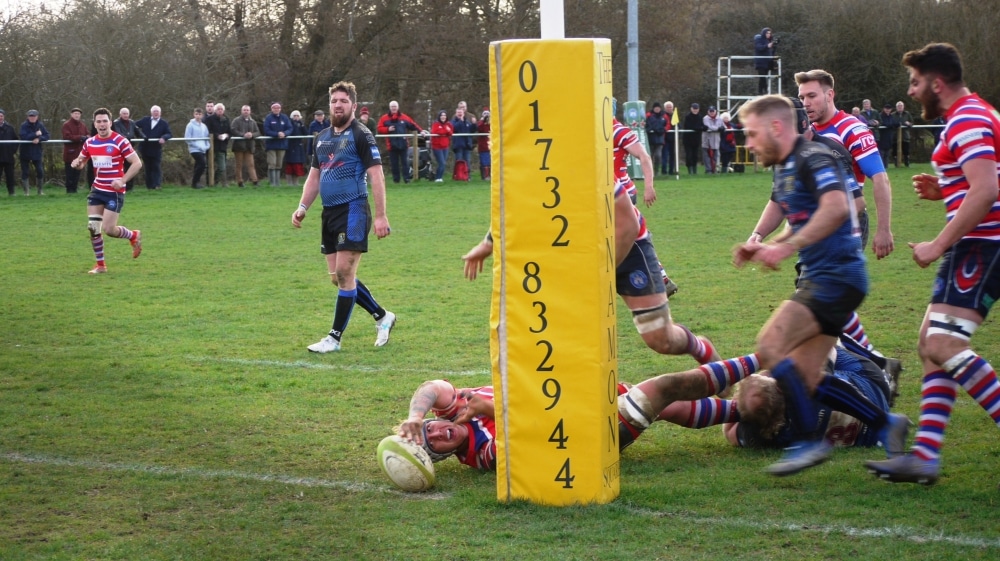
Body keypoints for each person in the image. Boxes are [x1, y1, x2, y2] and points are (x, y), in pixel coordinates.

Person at [732, 95, 907, 477]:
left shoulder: (815, 157)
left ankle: (809, 442)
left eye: (752, 134)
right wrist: (765, 245)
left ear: (777, 127)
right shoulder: (786, 168)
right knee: (809, 377)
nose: (749, 144)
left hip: (836, 276)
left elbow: (836, 208)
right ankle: (885, 423)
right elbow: (799, 221)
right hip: (826, 278)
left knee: (770, 346)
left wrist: (787, 248)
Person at [866, 43, 1000, 486]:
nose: (912, 89)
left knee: (943, 346)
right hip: (976, 244)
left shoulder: (967, 118)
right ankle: (925, 456)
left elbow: (985, 190)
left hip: (982, 245)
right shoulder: (975, 113)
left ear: (936, 83)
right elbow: (984, 179)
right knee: (929, 343)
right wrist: (947, 191)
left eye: (915, 82)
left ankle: (925, 455)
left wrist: (938, 243)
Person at [396, 353, 762, 470]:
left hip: (579, 401)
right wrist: (493, 406)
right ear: (444, 457)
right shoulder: (480, 456)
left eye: (431, 430)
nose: (440, 434)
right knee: (662, 390)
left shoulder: (450, 410)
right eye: (436, 445)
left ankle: (746, 414)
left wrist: (414, 417)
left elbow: (430, 387)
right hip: (589, 434)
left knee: (663, 404)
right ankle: (765, 357)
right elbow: (533, 429)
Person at [291, 81, 396, 353]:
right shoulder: (322, 137)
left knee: (345, 272)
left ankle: (334, 338)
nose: (338, 105)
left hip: (354, 209)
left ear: (352, 105)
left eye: (343, 101)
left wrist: (381, 216)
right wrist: (303, 207)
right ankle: (382, 316)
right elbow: (314, 177)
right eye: (334, 101)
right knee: (337, 278)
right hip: (329, 213)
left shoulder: (362, 135)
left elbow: (377, 175)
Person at [726, 339, 902, 450]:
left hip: (868, 437)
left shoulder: (767, 435)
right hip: (873, 390)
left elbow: (729, 432)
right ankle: (882, 364)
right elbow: (827, 349)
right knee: (821, 332)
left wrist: (743, 407)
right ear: (779, 387)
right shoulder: (809, 386)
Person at [70, 107, 143, 274]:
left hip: (114, 192)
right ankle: (100, 265)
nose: (102, 124)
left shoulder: (120, 141)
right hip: (97, 190)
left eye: (105, 121)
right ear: (94, 124)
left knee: (110, 230)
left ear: (110, 123)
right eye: (98, 121)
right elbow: (82, 162)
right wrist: (77, 164)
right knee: (93, 227)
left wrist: (122, 180)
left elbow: (137, 163)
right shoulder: (90, 142)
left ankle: (133, 235)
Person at [376, 101, 422, 184]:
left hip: (403, 144)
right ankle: (396, 180)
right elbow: (379, 128)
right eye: (392, 106)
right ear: (390, 108)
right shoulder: (384, 118)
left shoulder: (404, 117)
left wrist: (421, 131)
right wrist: (387, 129)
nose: (394, 108)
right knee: (394, 164)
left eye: (395, 106)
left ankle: (407, 179)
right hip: (391, 145)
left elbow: (413, 125)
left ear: (398, 107)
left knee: (405, 163)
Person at [135, 105, 171, 190]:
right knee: (147, 167)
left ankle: (157, 185)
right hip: (145, 147)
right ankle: (149, 186)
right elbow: (134, 125)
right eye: (154, 111)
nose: (156, 113)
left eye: (157, 111)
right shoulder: (145, 120)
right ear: (151, 112)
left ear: (160, 113)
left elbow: (169, 133)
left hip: (156, 148)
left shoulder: (164, 123)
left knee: (156, 167)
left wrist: (164, 137)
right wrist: (139, 134)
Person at [19, 109, 49, 195]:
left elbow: (47, 135)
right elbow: (23, 136)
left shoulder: (40, 125)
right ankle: (26, 192)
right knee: (25, 172)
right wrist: (35, 135)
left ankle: (40, 191)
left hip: (37, 152)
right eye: (30, 116)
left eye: (34, 116)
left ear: (37, 117)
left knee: (40, 171)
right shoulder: (24, 125)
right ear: (28, 117)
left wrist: (39, 139)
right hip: (25, 151)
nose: (32, 118)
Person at [263, 102, 293, 187]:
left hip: (282, 144)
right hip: (271, 144)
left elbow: (290, 128)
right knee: (272, 163)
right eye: (274, 108)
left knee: (279, 164)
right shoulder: (268, 118)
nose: (276, 109)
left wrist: (284, 133)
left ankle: (277, 182)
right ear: (272, 109)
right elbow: (266, 129)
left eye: (278, 108)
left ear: (280, 109)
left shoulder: (284, 118)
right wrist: (277, 134)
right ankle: (272, 182)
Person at [230, 105, 260, 188]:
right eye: (244, 110)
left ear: (250, 111)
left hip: (249, 147)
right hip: (239, 146)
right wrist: (243, 135)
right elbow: (233, 130)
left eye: (247, 110)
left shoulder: (253, 122)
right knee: (239, 165)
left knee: (251, 164)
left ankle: (255, 181)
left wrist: (252, 135)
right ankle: (239, 181)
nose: (246, 111)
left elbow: (258, 132)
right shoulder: (236, 120)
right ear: (241, 111)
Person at [61, 108, 89, 194]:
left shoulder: (82, 125)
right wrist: (80, 137)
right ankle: (69, 190)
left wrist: (87, 137)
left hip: (80, 153)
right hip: (70, 153)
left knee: (77, 173)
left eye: (78, 114)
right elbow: (67, 136)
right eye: (75, 113)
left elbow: (87, 133)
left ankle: (75, 190)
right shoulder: (67, 125)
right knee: (70, 173)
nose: (77, 115)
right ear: (71, 114)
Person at [204, 103, 231, 186]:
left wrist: (226, 135)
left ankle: (216, 181)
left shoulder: (226, 119)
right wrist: (216, 136)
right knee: (209, 166)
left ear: (223, 110)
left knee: (222, 167)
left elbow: (230, 131)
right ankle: (209, 183)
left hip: (222, 146)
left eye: (221, 109)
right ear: (215, 110)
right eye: (218, 109)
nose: (220, 111)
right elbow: (208, 131)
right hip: (211, 146)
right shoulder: (210, 119)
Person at [112, 108, 138, 192]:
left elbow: (138, 132)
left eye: (127, 114)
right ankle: (119, 185)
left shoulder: (132, 122)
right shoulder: (116, 123)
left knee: (130, 167)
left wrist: (145, 138)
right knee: (120, 168)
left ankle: (130, 187)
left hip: (130, 148)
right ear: (120, 114)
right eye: (124, 113)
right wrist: (126, 138)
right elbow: (118, 133)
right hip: (119, 149)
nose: (126, 115)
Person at [184, 108, 209, 189]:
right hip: (194, 149)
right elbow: (188, 139)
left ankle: (195, 184)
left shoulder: (204, 126)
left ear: (202, 115)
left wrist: (206, 146)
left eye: (199, 114)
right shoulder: (190, 125)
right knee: (202, 164)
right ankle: (195, 181)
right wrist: (198, 146)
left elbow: (207, 138)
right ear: (194, 115)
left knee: (198, 165)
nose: (198, 116)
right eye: (196, 114)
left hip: (203, 149)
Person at [450, 107, 476, 181]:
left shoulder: (467, 122)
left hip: (466, 145)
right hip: (458, 145)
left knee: (467, 161)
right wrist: (460, 121)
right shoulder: (453, 121)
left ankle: (467, 175)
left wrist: (474, 124)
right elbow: (455, 128)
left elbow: (471, 130)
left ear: (463, 113)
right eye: (458, 112)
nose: (460, 114)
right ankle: (458, 176)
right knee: (459, 160)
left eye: (461, 112)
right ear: (456, 113)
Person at [284, 110, 308, 186]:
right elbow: (291, 132)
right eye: (294, 116)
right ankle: (289, 183)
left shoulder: (301, 124)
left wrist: (302, 125)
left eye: (297, 116)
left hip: (299, 147)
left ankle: (296, 183)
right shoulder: (289, 123)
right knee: (290, 166)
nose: (296, 117)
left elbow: (306, 133)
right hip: (290, 146)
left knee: (297, 166)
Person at [429, 110, 453, 183]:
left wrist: (445, 131)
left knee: (443, 163)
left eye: (444, 115)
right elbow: (435, 132)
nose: (443, 117)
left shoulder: (449, 124)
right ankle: (437, 177)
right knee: (442, 162)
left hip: (445, 146)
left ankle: (440, 177)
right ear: (439, 116)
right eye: (442, 115)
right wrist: (446, 130)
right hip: (437, 146)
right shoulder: (436, 124)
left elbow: (451, 132)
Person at [682, 103, 705, 174]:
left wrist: (702, 128)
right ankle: (690, 171)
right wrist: (699, 128)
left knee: (695, 156)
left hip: (696, 140)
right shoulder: (688, 117)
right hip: (688, 140)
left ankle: (695, 171)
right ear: (691, 109)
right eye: (694, 108)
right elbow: (689, 126)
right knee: (689, 156)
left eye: (696, 109)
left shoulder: (700, 117)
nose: (695, 110)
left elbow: (702, 126)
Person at [645, 102, 667, 175]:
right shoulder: (648, 115)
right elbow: (645, 124)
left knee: (658, 155)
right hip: (650, 139)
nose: (657, 109)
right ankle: (650, 171)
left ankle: (656, 170)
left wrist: (663, 129)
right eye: (655, 108)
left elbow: (668, 125)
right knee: (649, 156)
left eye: (658, 108)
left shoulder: (664, 116)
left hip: (660, 139)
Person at [701, 106, 724, 174]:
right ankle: (708, 170)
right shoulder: (705, 118)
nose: (711, 112)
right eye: (710, 111)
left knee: (716, 156)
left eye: (713, 111)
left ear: (715, 111)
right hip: (707, 141)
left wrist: (722, 128)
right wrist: (718, 128)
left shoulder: (720, 118)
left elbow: (723, 126)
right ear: (708, 112)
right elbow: (710, 127)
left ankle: (714, 169)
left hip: (716, 140)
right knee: (707, 156)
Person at [753, 27, 776, 95]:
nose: (768, 34)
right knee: (762, 77)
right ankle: (764, 91)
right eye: (767, 33)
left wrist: (774, 46)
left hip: (767, 62)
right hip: (761, 62)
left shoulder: (769, 40)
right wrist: (767, 46)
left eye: (769, 33)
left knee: (763, 77)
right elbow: (759, 48)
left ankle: (761, 92)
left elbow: (771, 52)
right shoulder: (759, 39)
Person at [0, 109, 17, 195]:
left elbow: (15, 141)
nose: (0, 118)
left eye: (1, 116)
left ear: (4, 117)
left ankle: (11, 192)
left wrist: (12, 151)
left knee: (10, 176)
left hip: (8, 156)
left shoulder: (10, 128)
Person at [876, 103, 899, 167]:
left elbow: (896, 123)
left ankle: (886, 166)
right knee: (882, 153)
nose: (887, 110)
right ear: (884, 109)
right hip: (882, 136)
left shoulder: (891, 116)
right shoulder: (880, 115)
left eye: (889, 109)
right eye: (886, 109)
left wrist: (891, 125)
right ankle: (881, 166)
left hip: (889, 137)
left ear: (891, 110)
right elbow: (884, 123)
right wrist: (891, 125)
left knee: (887, 153)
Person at [893, 101, 914, 167]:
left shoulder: (907, 114)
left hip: (905, 135)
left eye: (901, 106)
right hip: (895, 136)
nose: (900, 107)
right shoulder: (893, 114)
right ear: (896, 107)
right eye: (898, 106)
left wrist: (909, 124)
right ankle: (896, 163)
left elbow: (912, 122)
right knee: (895, 150)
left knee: (906, 150)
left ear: (903, 107)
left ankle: (907, 163)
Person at [662, 101, 678, 175]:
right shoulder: (662, 116)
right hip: (665, 139)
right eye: (667, 107)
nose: (669, 108)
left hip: (673, 139)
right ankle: (664, 171)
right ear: (665, 108)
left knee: (673, 155)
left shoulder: (675, 115)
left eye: (670, 107)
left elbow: (678, 125)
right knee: (664, 155)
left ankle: (671, 170)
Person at [477, 108, 491, 181]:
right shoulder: (480, 122)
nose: (486, 115)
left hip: (492, 145)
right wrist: (483, 121)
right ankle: (485, 176)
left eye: (488, 113)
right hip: (483, 146)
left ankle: (490, 175)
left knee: (491, 161)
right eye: (485, 114)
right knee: (484, 161)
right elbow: (479, 128)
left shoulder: (492, 123)